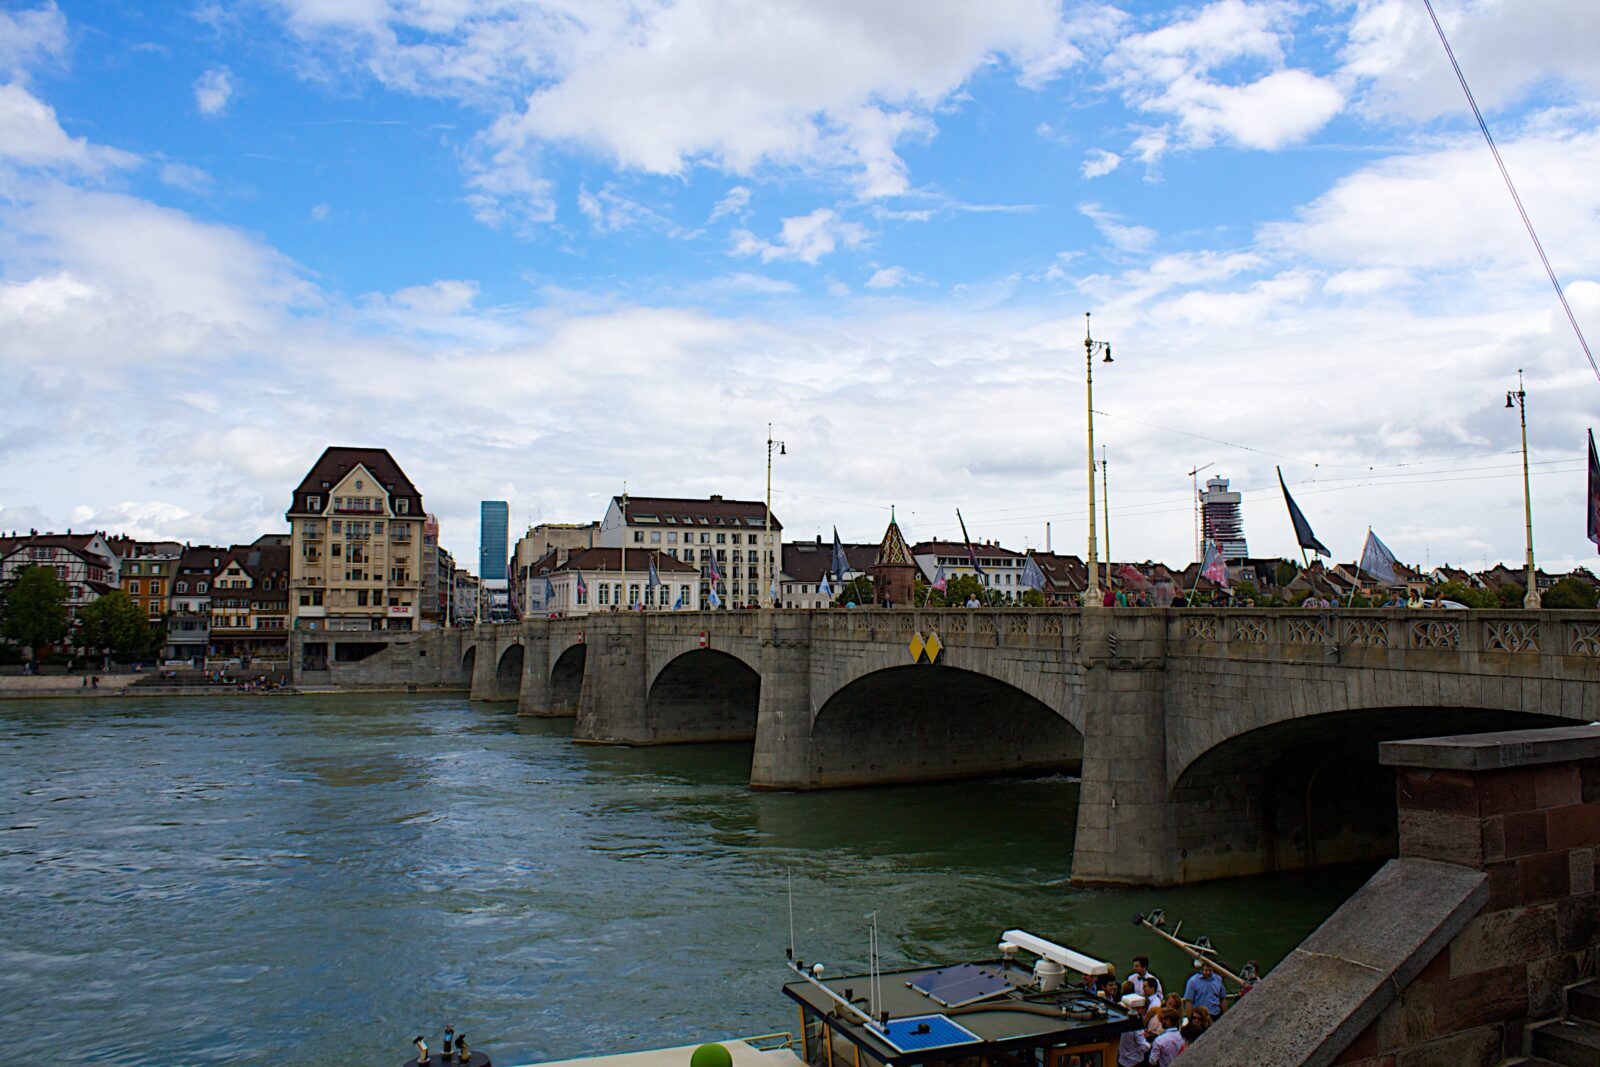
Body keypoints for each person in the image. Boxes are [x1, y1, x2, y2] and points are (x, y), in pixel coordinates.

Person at [1116, 996, 1151, 1067]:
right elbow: (1144, 1047)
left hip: (1121, 1061)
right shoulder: (1136, 1026)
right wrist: (1151, 1044)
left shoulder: (1123, 1020)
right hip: (1134, 1063)